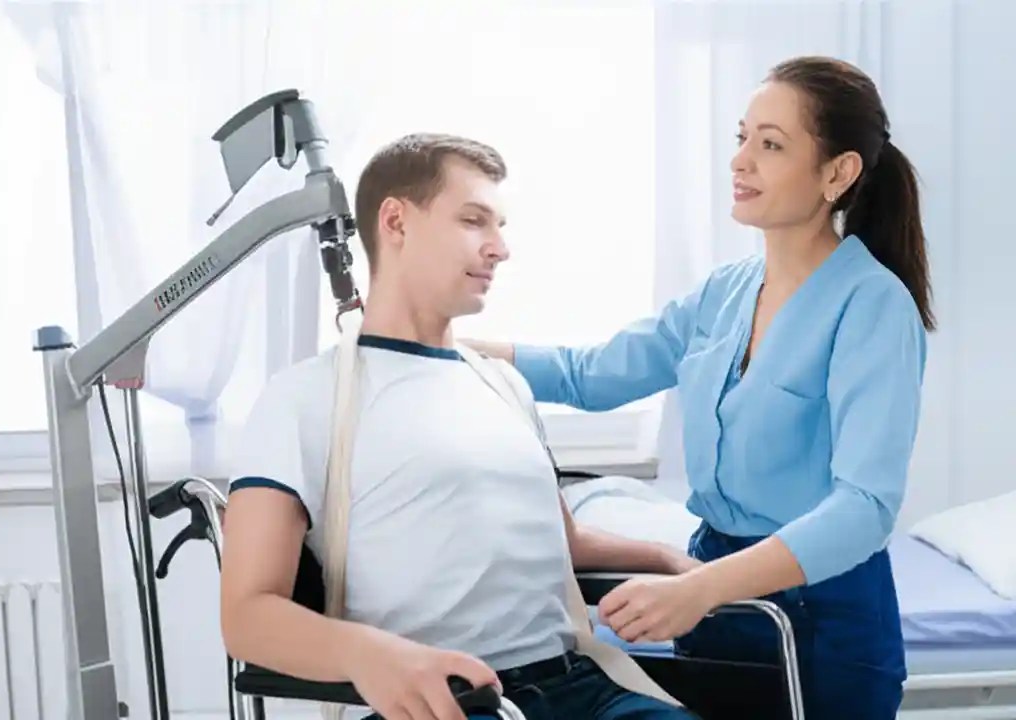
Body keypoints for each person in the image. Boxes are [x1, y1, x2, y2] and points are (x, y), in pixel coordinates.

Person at [463, 56, 933, 719]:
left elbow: (865, 508)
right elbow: (592, 375)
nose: (740, 161)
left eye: (770, 145)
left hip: (821, 616)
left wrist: (702, 589)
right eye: (742, 137)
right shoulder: (726, 291)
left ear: (838, 172)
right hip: (717, 598)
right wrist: (457, 352)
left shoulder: (873, 307)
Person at [219, 133, 702, 720]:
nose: (499, 249)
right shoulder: (302, 398)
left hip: (580, 688)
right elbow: (247, 615)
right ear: (395, 221)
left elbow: (562, 543)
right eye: (474, 221)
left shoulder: (504, 386)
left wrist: (666, 559)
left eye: (500, 226)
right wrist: (371, 656)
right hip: (444, 701)